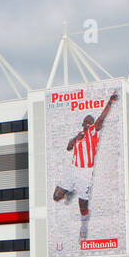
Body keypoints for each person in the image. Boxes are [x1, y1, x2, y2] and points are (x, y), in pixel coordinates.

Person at [52, 90, 120, 246]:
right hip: (73, 170)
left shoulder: (93, 133)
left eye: (90, 122)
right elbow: (69, 147)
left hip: (85, 173)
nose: (87, 124)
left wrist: (109, 102)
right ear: (82, 124)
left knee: (83, 206)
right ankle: (69, 191)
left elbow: (102, 118)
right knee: (56, 197)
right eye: (86, 122)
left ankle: (84, 223)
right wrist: (76, 138)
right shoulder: (78, 135)